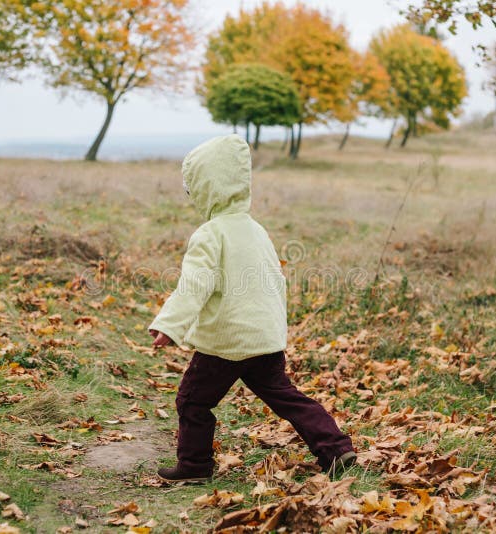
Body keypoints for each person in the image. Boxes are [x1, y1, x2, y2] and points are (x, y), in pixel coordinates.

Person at [149, 134, 355, 483]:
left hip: (227, 342)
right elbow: (273, 280)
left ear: (206, 189)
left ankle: (194, 466)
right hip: (263, 338)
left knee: (193, 401)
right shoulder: (256, 230)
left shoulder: (211, 234)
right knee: (285, 396)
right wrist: (273, 327)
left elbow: (194, 285)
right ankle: (335, 448)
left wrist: (169, 324)